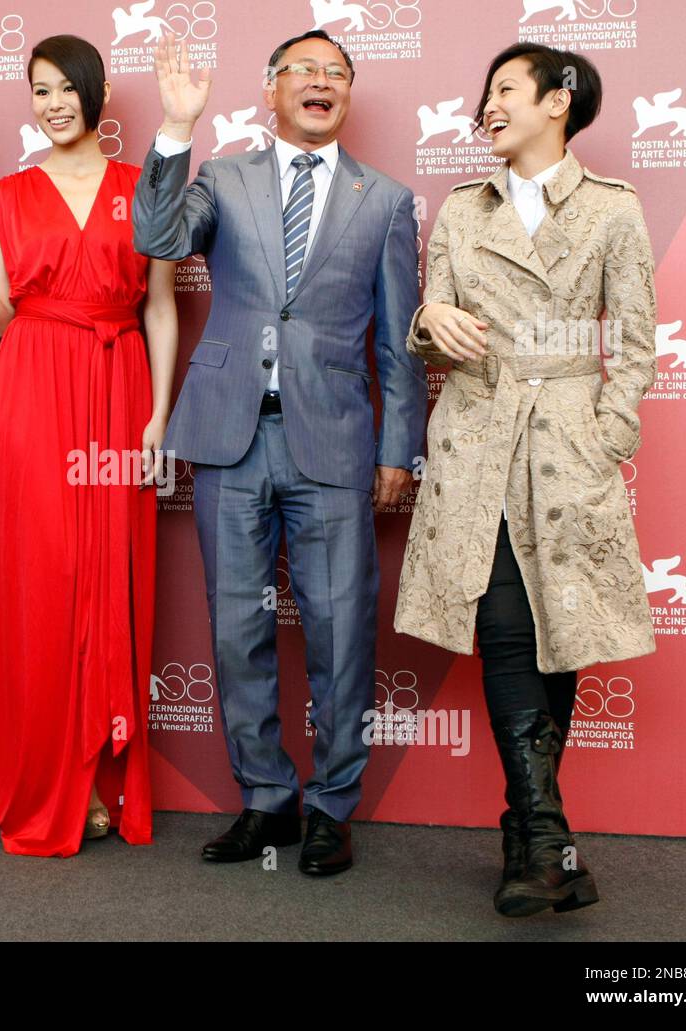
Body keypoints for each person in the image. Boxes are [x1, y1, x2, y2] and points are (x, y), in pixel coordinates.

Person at [133, 30, 426, 876]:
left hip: (334, 442)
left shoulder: (387, 200)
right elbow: (156, 237)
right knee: (237, 626)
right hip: (229, 436)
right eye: (305, 70)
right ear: (271, 89)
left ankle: (332, 805)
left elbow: (398, 347)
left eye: (337, 73)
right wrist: (175, 131)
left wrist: (400, 447)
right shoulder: (222, 174)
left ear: (348, 94)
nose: (322, 82)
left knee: (342, 630)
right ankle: (265, 799)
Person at [394, 42, 657, 916]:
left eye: (506, 90)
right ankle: (547, 837)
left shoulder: (615, 211)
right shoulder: (464, 213)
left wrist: (608, 432)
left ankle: (534, 838)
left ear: (560, 100)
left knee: (559, 628)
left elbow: (635, 337)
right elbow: (430, 322)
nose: (488, 107)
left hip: (567, 444)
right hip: (479, 440)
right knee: (507, 624)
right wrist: (429, 319)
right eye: (486, 93)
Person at [0, 34, 178, 856]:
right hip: (33, 392)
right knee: (43, 585)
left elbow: (160, 306)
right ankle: (51, 783)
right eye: (40, 90)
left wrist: (160, 414)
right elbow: (1, 316)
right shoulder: (3, 195)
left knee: (113, 581)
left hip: (120, 380)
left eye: (67, 88)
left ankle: (103, 781)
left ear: (96, 94)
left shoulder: (143, 190)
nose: (53, 103)